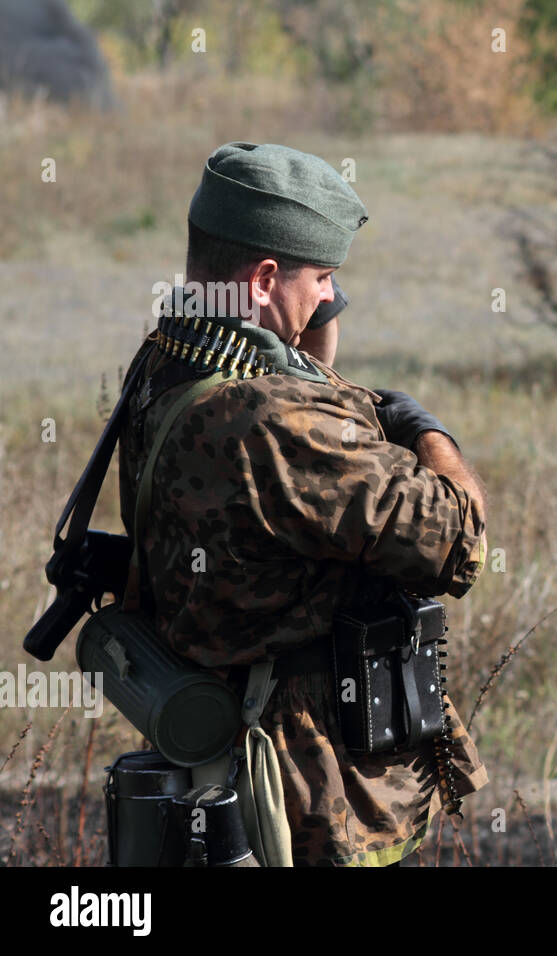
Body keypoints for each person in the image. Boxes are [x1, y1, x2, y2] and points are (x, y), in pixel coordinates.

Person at [117, 142, 489, 866]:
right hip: (300, 783)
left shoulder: (168, 359)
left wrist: (311, 315)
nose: (327, 297)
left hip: (211, 739)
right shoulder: (278, 422)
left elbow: (299, 395)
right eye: (322, 278)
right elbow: (458, 537)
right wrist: (426, 429)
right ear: (262, 277)